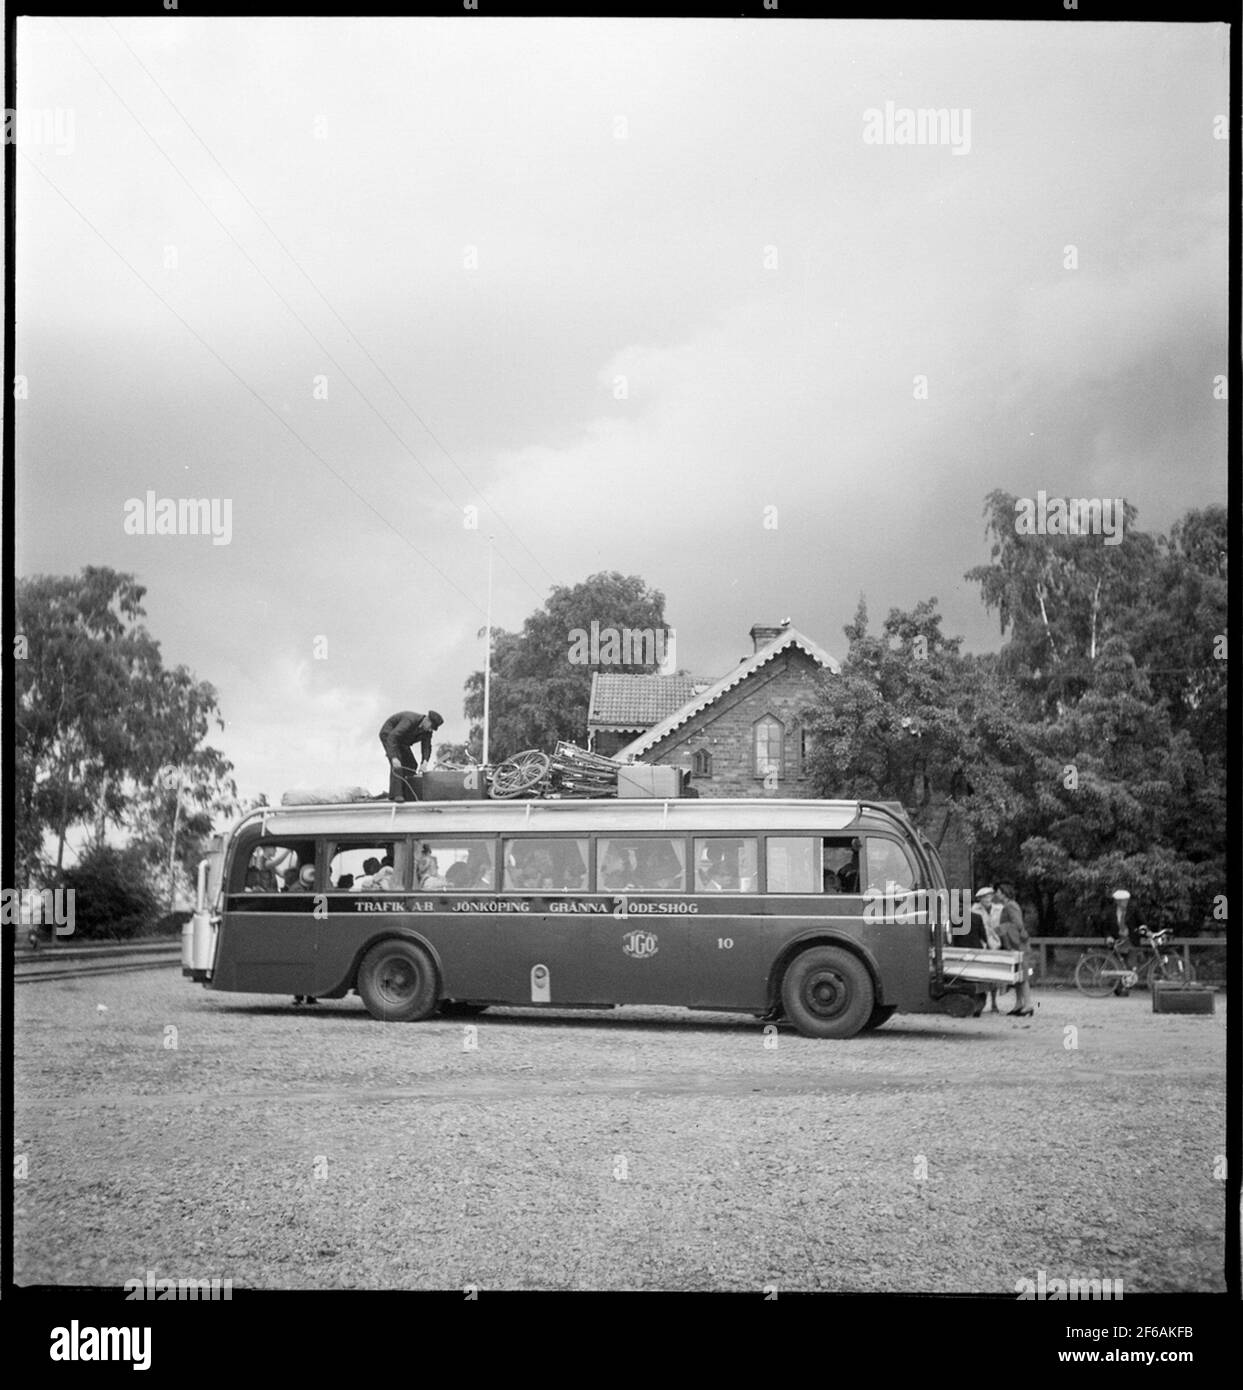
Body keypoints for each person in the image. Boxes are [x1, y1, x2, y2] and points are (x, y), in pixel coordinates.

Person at [379, 710, 444, 802]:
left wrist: (424, 762)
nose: (430, 730)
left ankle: (407, 792)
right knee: (398, 763)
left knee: (412, 764)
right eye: (431, 727)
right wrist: (393, 757)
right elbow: (392, 737)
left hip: (402, 742)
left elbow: (426, 747)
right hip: (389, 735)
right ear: (427, 720)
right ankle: (396, 795)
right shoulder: (409, 720)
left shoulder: (427, 731)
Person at [995, 882, 1033, 1016]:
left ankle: (1028, 1005)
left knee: (1022, 975)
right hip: (1015, 944)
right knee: (1017, 976)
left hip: (1018, 945)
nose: (996, 894)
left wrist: (1002, 929)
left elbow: (1018, 924)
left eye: (998, 891)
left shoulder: (1011, 905)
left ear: (1003, 892)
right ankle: (1019, 1004)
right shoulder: (1009, 905)